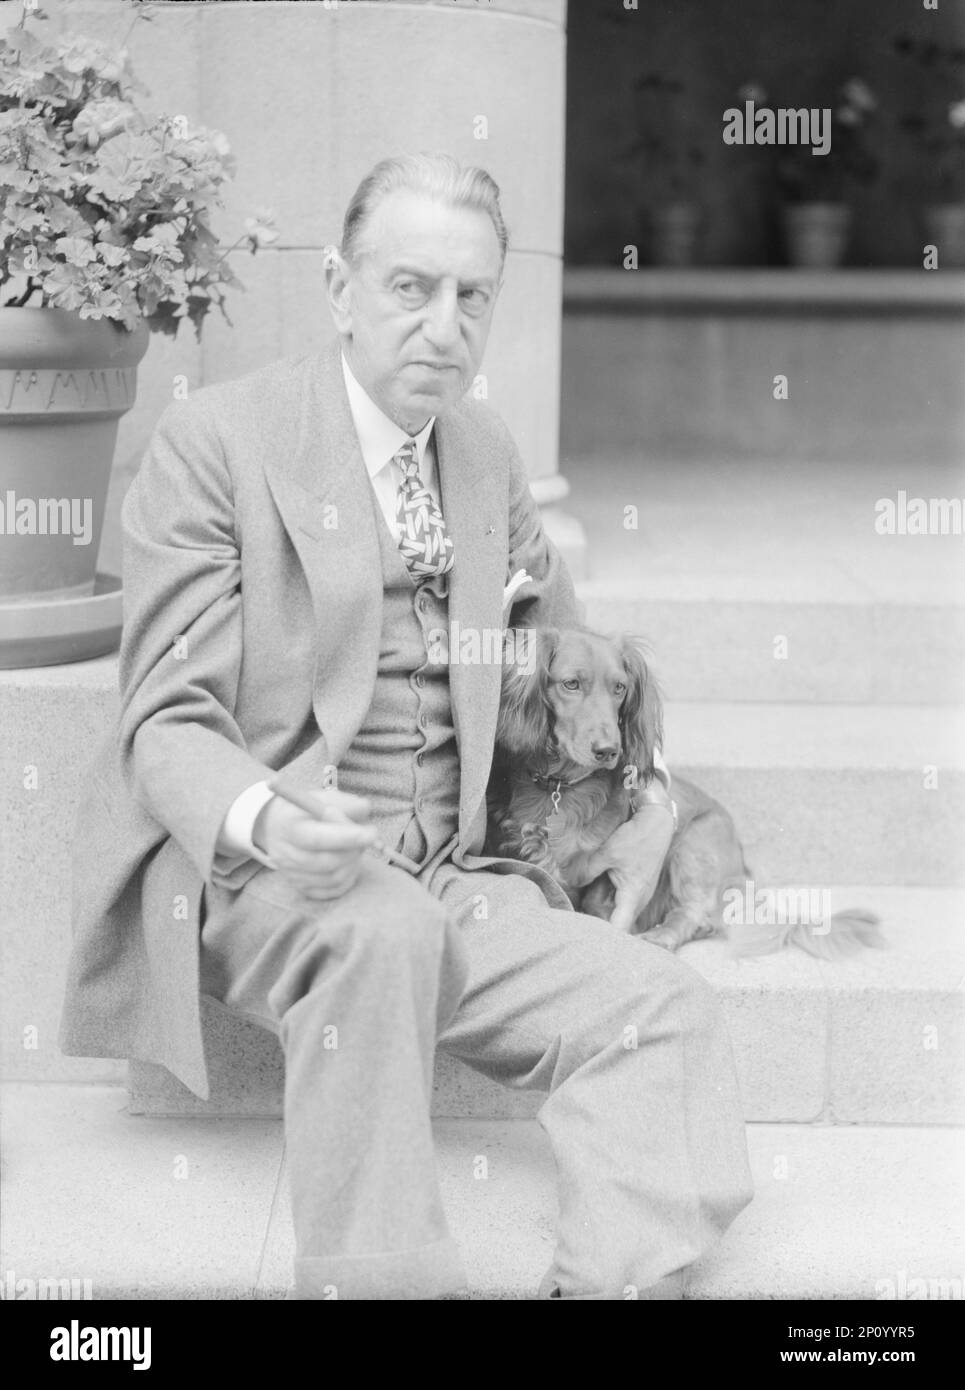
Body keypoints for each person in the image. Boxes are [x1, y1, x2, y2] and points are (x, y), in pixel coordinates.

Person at [61, 154, 753, 1300]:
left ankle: (611, 1286)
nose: (444, 325)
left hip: (459, 873)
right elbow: (164, 717)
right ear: (338, 287)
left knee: (660, 1002)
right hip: (278, 875)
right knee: (381, 934)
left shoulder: (483, 453)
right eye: (408, 287)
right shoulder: (218, 445)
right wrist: (270, 821)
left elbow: (567, 652)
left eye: (471, 296)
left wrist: (649, 799)